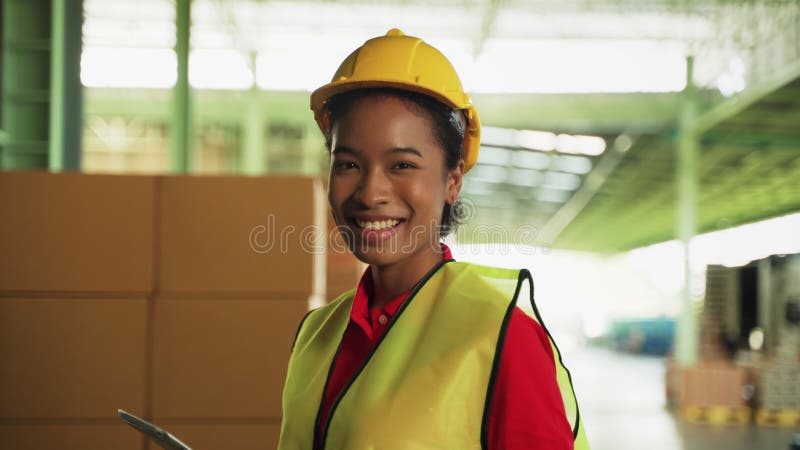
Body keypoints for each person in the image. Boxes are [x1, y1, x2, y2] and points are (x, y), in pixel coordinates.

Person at [278, 28, 589, 450]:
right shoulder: (317, 334)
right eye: (348, 163)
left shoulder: (500, 339)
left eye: (402, 165)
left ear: (452, 181)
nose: (370, 193)